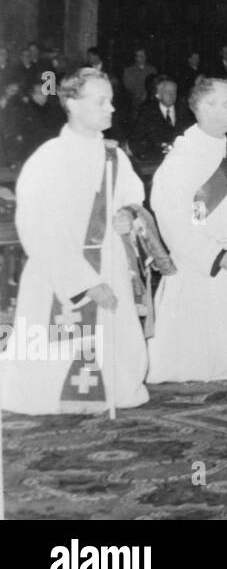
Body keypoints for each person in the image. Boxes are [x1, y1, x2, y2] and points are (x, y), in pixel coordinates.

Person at [0, 69, 150, 414]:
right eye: (100, 101)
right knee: (49, 380)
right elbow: (38, 230)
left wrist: (129, 215)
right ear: (71, 103)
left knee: (116, 377)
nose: (111, 108)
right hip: (60, 278)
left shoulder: (116, 158)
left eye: (111, 100)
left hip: (110, 265)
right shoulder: (48, 160)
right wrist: (84, 283)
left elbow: (134, 201)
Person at [146, 78, 227, 382]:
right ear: (205, 107)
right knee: (200, 358)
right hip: (205, 266)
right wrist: (217, 255)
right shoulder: (182, 159)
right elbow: (176, 220)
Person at [128, 76, 191, 163]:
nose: (171, 95)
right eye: (167, 92)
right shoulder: (147, 112)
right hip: (156, 161)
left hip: (182, 159)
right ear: (158, 95)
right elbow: (136, 140)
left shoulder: (184, 110)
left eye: (174, 91)